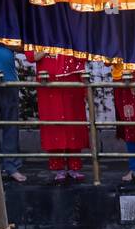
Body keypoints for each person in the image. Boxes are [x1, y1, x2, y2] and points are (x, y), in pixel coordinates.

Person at [24, 50, 88, 182]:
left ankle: (74, 167)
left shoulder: (68, 33)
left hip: (71, 81)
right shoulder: (37, 35)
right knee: (53, 126)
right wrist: (49, 48)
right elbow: (32, 57)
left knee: (73, 125)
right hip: (48, 84)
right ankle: (58, 168)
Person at [0, 43, 25, 182]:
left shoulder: (8, 26)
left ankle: (12, 167)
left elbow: (22, 46)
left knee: (11, 124)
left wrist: (1, 41)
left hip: (9, 80)